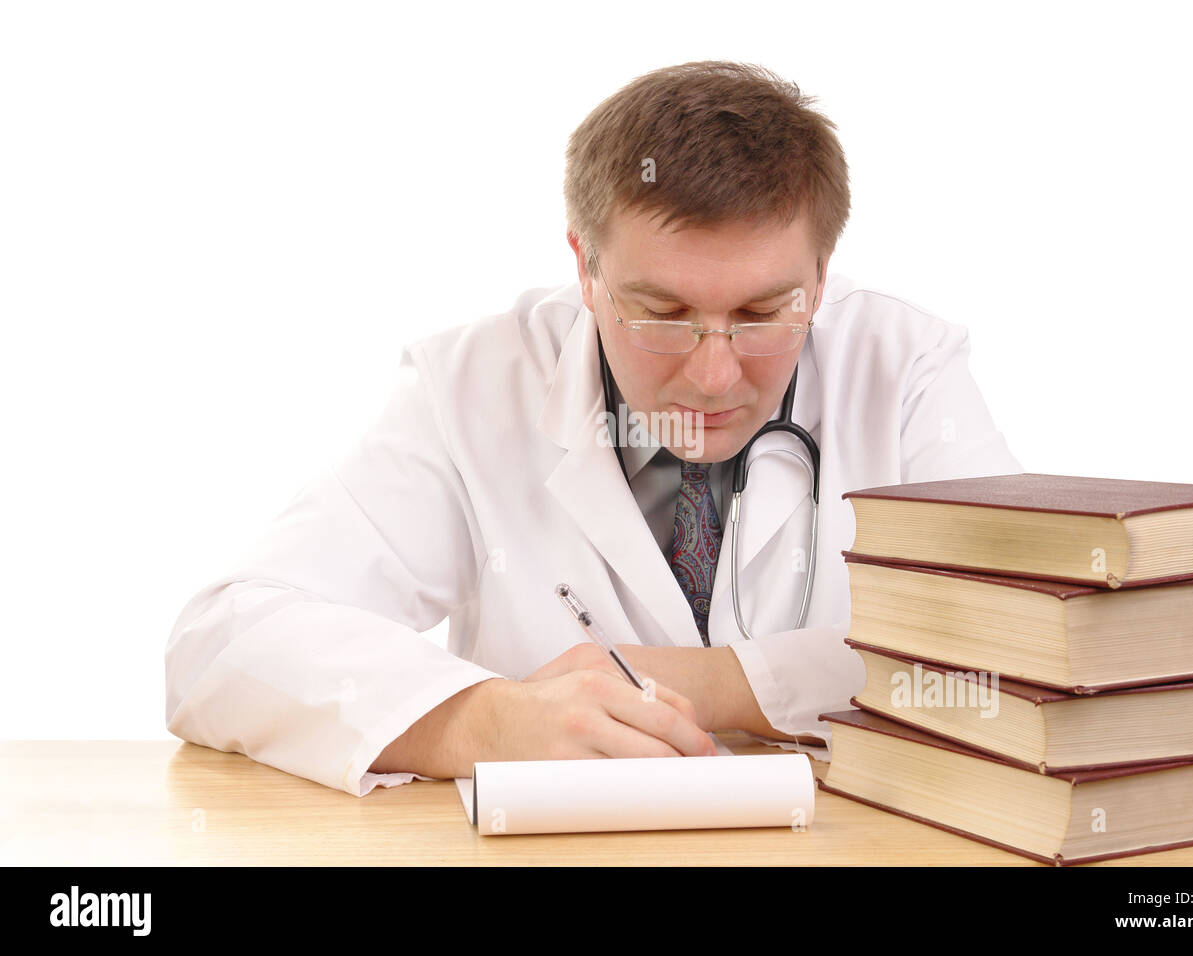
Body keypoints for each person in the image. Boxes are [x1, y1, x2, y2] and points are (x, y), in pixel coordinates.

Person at [164, 60, 1023, 796]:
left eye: (763, 312)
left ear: (823, 276)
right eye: (662, 313)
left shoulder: (904, 370)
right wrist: (481, 722)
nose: (715, 373)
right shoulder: (471, 388)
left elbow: (1028, 653)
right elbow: (221, 644)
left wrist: (715, 685)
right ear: (585, 267)